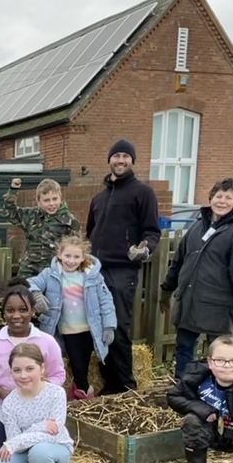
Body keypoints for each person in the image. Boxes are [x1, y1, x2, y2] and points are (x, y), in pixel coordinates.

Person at [159, 178, 233, 379]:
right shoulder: (198, 227)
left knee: (220, 354)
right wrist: (166, 289)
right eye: (218, 196)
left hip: (218, 306)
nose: (222, 201)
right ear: (211, 198)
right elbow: (178, 262)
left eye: (228, 198)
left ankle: (217, 389)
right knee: (184, 348)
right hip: (189, 302)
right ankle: (184, 386)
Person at [86, 139, 161, 394]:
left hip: (122, 270)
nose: (120, 160)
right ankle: (108, 384)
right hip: (96, 271)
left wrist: (144, 249)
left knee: (117, 328)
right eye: (116, 156)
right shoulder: (99, 198)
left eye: (125, 156)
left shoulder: (143, 192)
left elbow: (152, 232)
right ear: (109, 160)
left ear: (132, 161)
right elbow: (90, 233)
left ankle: (126, 387)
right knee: (99, 327)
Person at [0, 283, 65, 463]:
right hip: (0, 408)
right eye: (10, 310)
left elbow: (58, 376)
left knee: (38, 451)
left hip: (37, 410)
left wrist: (41, 390)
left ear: (32, 311)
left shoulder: (47, 342)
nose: (16, 316)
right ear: (3, 313)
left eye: (23, 310)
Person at [28, 236, 117, 396]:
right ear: (59, 255)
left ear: (83, 257)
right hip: (68, 329)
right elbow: (30, 283)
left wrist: (109, 325)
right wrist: (36, 295)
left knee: (84, 361)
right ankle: (85, 393)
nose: (71, 260)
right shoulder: (50, 274)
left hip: (89, 328)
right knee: (77, 363)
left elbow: (106, 300)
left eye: (76, 257)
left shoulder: (92, 276)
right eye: (67, 256)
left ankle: (77, 389)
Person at [4, 177, 79, 279]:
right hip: (28, 272)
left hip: (54, 273)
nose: (51, 204)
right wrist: (13, 190)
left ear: (60, 197)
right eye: (46, 200)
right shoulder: (31, 215)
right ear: (38, 201)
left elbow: (76, 248)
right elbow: (9, 213)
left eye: (55, 199)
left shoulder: (69, 221)